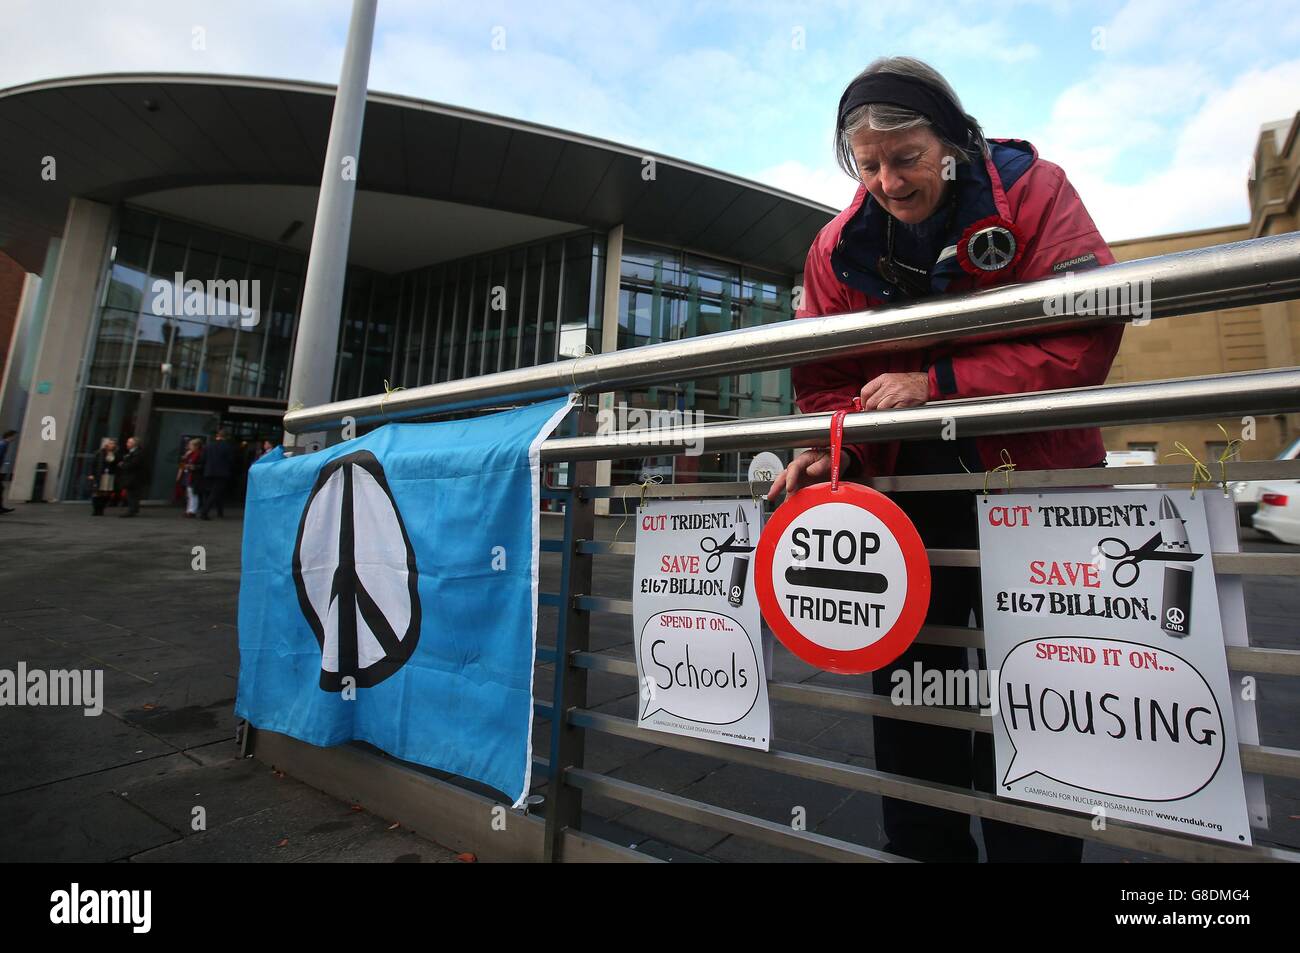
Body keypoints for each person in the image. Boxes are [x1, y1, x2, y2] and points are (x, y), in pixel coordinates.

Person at [767, 57, 1123, 863]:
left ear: (954, 145)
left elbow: (1086, 333)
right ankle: (923, 846)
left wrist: (939, 386)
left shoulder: (1036, 192)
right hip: (907, 494)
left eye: (907, 158)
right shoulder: (837, 246)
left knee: (1035, 683)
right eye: (868, 165)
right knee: (912, 690)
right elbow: (823, 382)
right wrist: (830, 447)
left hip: (1030, 488)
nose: (888, 182)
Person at [199, 429, 235, 520]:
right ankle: (204, 512)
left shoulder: (208, 446)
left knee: (212, 492)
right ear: (226, 437)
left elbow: (203, 459)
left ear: (217, 436)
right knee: (215, 492)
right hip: (222, 473)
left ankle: (220, 511)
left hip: (209, 472)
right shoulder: (228, 447)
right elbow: (231, 460)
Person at [88, 437, 119, 516]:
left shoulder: (116, 454)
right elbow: (93, 464)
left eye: (113, 444)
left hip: (110, 475)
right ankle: (96, 509)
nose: (112, 445)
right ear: (106, 444)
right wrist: (91, 474)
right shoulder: (99, 453)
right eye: (111, 443)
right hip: (100, 474)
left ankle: (102, 508)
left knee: (106, 493)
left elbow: (117, 464)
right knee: (97, 492)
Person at [116, 436, 145, 517]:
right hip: (132, 477)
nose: (127, 444)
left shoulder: (137, 453)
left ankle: (132, 510)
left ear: (134, 444)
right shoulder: (131, 452)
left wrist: (123, 465)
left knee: (132, 494)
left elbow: (133, 464)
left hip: (134, 477)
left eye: (129, 442)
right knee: (131, 494)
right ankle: (134, 509)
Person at [177, 437, 204, 518]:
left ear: (196, 446)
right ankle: (188, 510)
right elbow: (182, 463)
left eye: (191, 445)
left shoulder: (200, 454)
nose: (189, 446)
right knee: (189, 494)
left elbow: (202, 465)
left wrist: (194, 467)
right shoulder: (190, 453)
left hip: (194, 476)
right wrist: (184, 459)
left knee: (193, 494)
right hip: (188, 474)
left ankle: (192, 511)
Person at [0, 429, 16, 513]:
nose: (14, 438)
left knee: (1, 488)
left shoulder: (4, 444)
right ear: (9, 436)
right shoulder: (3, 444)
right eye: (14, 436)